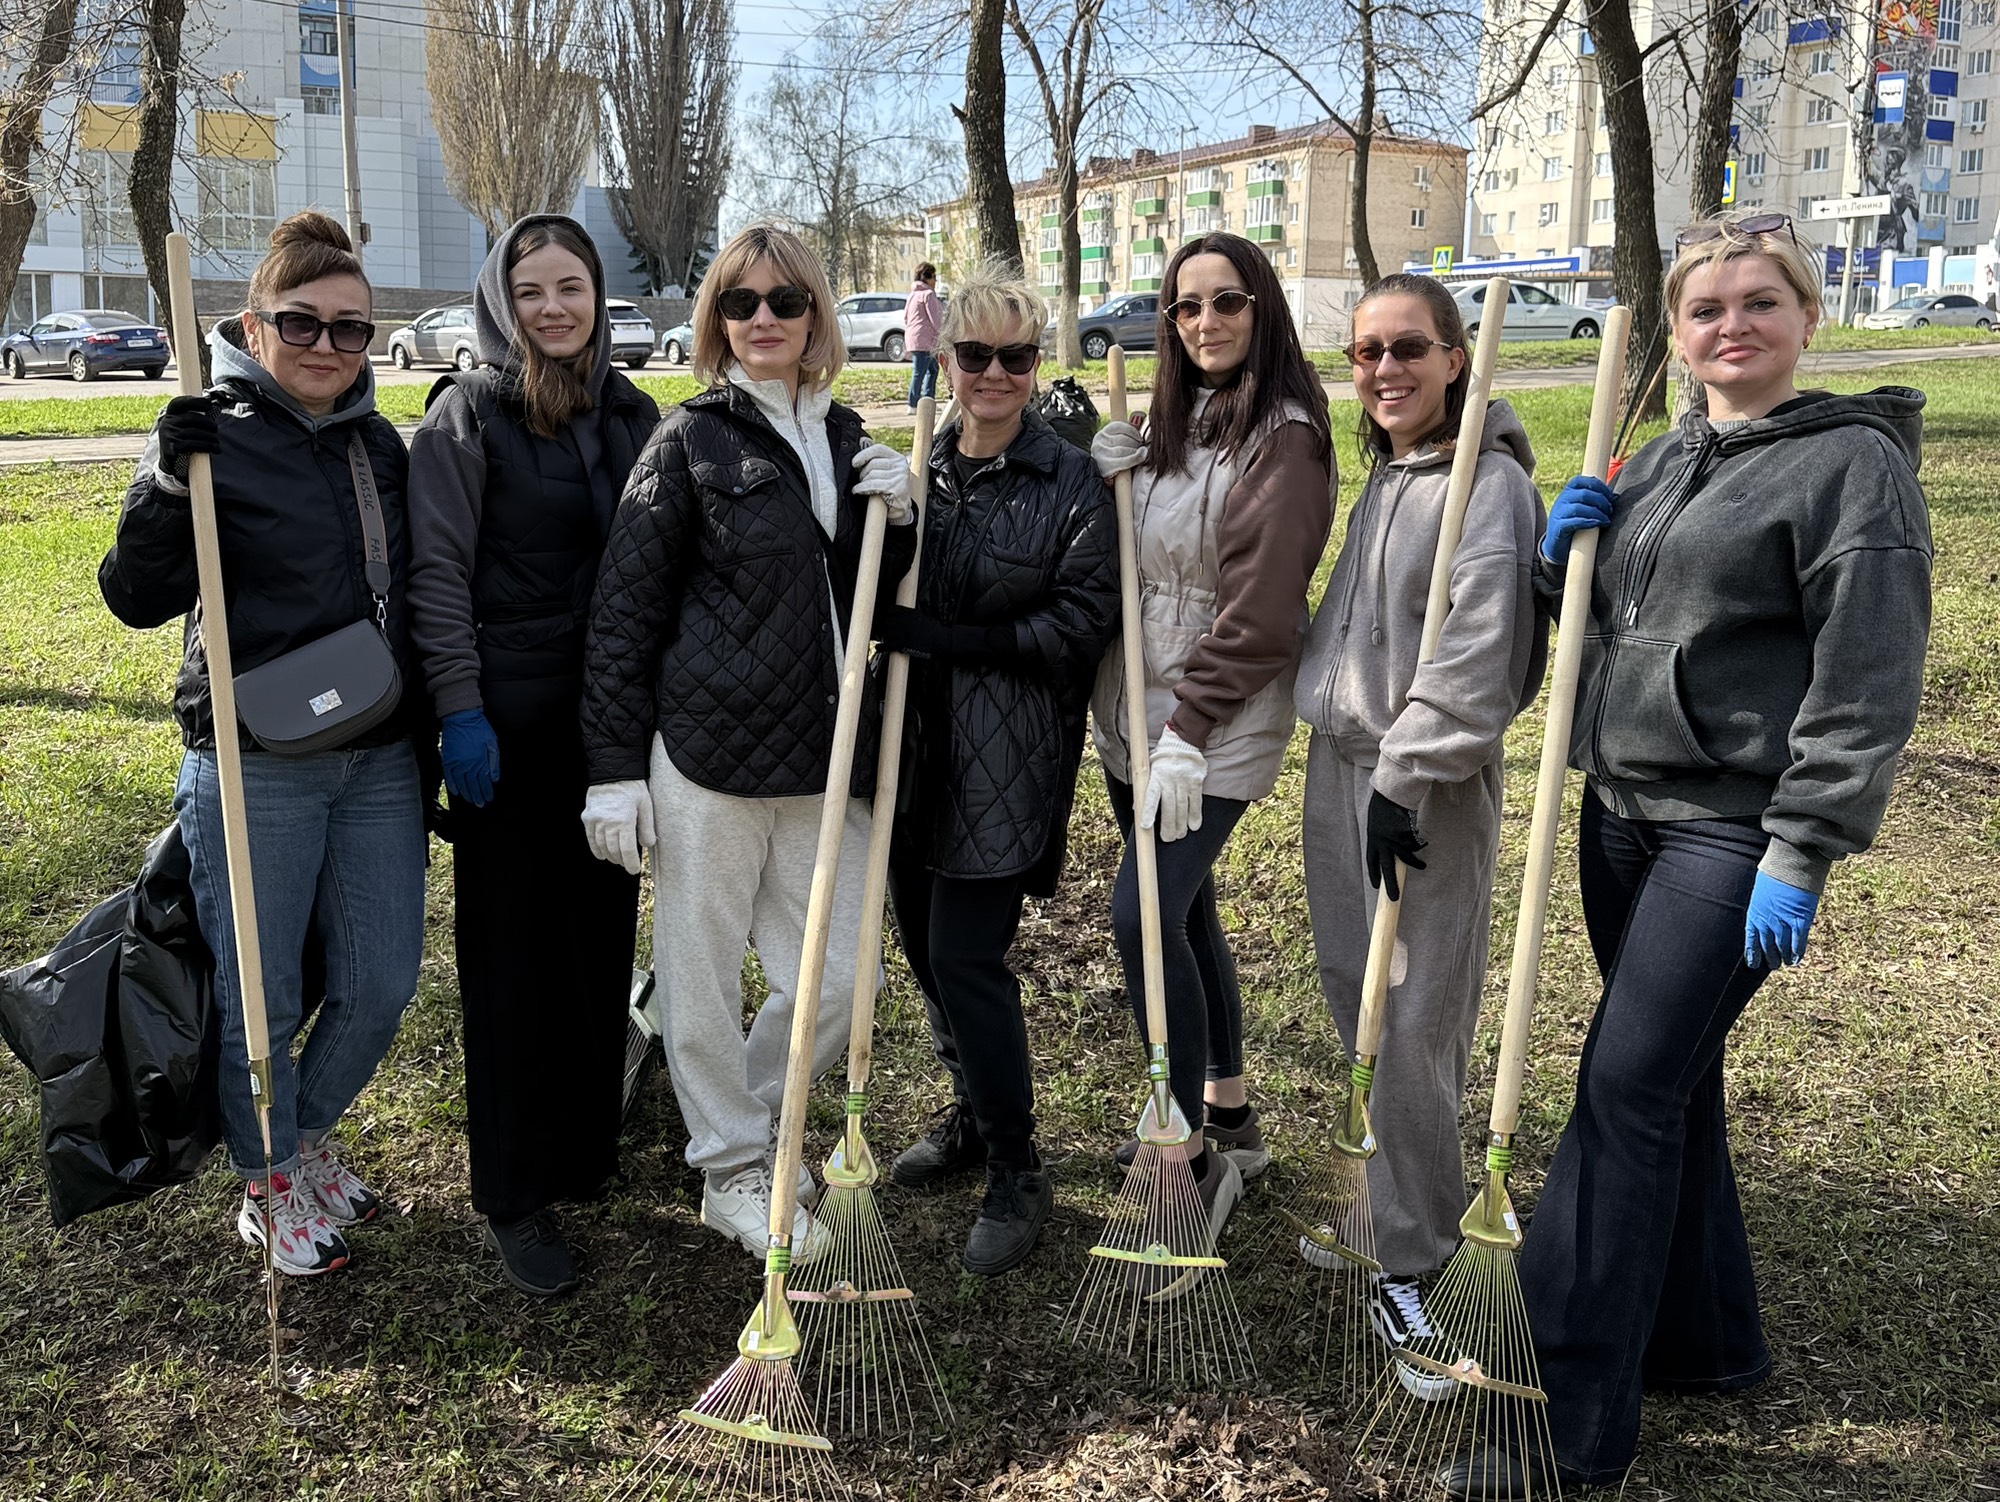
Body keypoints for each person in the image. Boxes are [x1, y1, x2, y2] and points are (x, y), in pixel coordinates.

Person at [1445, 209, 1932, 1498]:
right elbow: (1603, 630)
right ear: (1675, 329)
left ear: (1804, 317)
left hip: (1732, 827)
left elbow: (1866, 680)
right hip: (1623, 815)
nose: (1730, 325)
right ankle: (1705, 1342)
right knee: (1670, 1084)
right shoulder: (1661, 459)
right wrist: (1563, 562)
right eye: (1704, 308)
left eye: (1757, 302)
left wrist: (1801, 844)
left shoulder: (1852, 468)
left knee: (1618, 1093)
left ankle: (1553, 1422)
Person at [577, 225, 917, 1261]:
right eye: (739, 302)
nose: (761, 318)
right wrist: (610, 771)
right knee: (700, 970)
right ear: (714, 320)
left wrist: (899, 518)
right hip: (709, 758)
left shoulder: (850, 436)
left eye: (784, 300)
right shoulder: (688, 441)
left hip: (826, 756)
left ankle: (758, 1115)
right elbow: (623, 615)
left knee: (838, 974)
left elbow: (869, 596)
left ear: (816, 315)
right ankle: (728, 1166)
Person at [98, 210, 424, 1277]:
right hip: (251, 761)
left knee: (378, 983)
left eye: (350, 330)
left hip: (374, 755)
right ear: (254, 324)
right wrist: (158, 481)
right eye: (302, 324)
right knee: (265, 996)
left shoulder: (382, 446)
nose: (328, 348)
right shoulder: (212, 435)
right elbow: (135, 599)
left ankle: (303, 1135)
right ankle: (267, 1180)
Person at [1293, 273, 1546, 1389]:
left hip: (1419, 787)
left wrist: (1405, 772)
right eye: (1364, 352)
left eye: (1407, 348)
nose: (1384, 369)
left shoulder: (1483, 487)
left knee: (1413, 1020)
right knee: (1355, 991)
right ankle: (1378, 1206)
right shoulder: (1389, 475)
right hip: (1337, 769)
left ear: (1455, 358)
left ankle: (1418, 1257)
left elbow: (1479, 649)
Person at [405, 215, 660, 1297]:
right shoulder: (466, 416)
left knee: (595, 940)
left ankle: (583, 1150)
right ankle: (514, 1188)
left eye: (572, 285)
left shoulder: (633, 413)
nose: (553, 307)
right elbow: (435, 577)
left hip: (608, 732)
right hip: (502, 733)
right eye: (532, 290)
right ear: (499, 303)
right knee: (510, 960)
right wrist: (458, 711)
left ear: (597, 295)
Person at [1089, 232, 1334, 1237]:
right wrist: (1101, 471)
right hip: (1131, 713)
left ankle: (1182, 1145)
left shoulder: (1283, 436)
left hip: (1207, 724)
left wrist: (1188, 729)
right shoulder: (1174, 415)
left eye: (1226, 301)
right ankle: (1228, 1105)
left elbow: (1264, 610)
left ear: (1259, 307)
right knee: (1184, 916)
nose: (1205, 322)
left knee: (1139, 918)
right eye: (1186, 306)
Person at [878, 263, 1120, 1274]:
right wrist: (877, 518)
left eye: (1013, 357)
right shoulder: (923, 468)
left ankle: (1018, 1168)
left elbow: (1077, 624)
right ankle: (974, 1111)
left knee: (969, 957)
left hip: (1005, 754)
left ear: (1033, 366)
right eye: (972, 354)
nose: (992, 374)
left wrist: (944, 638)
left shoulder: (1066, 480)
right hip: (909, 748)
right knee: (925, 953)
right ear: (946, 357)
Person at [905, 262, 942, 411]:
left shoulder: (912, 295)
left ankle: (927, 402)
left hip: (915, 338)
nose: (935, 281)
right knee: (920, 372)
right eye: (934, 277)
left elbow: (906, 317)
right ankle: (913, 404)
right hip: (926, 340)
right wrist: (943, 334)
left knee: (931, 370)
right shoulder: (928, 294)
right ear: (926, 278)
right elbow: (936, 318)